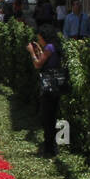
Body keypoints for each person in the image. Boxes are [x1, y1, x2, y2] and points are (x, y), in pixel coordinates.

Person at [28, 24, 64, 156]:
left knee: (47, 117)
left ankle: (49, 149)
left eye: (40, 38)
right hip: (56, 86)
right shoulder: (54, 46)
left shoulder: (49, 47)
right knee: (51, 116)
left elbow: (38, 64)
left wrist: (32, 52)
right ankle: (52, 147)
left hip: (49, 87)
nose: (39, 41)